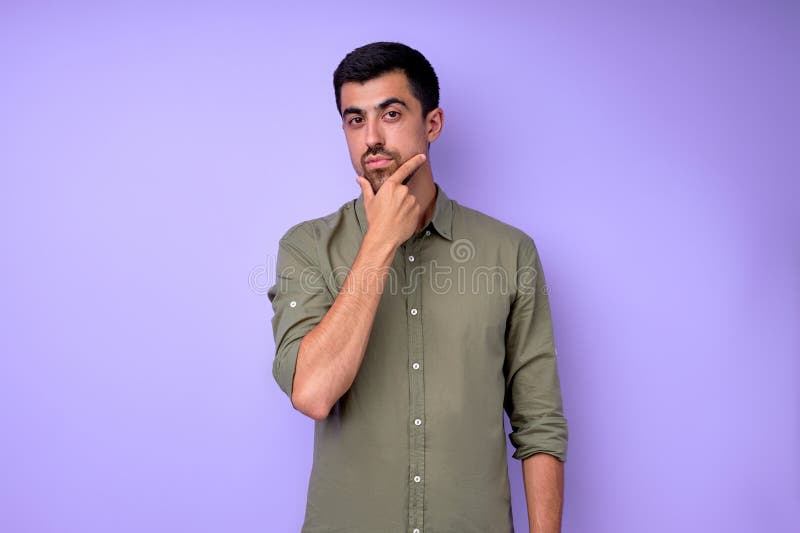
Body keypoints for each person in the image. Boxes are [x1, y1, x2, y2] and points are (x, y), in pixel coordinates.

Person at [268, 41, 568, 533]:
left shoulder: (509, 253)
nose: (372, 139)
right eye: (355, 119)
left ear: (432, 124)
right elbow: (313, 393)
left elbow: (540, 426)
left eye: (390, 113)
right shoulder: (307, 248)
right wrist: (379, 244)